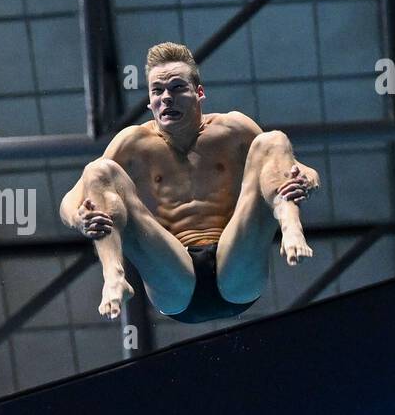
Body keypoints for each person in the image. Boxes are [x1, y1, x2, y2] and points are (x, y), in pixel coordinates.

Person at [59, 42, 320, 322]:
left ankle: (291, 225)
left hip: (235, 266)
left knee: (272, 140)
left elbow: (292, 166)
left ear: (199, 93)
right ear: (149, 101)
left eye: (177, 88)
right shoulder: (133, 144)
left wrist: (306, 180)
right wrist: (80, 218)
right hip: (174, 277)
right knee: (100, 171)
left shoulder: (232, 129)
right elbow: (69, 202)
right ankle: (114, 276)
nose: (166, 98)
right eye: (157, 91)